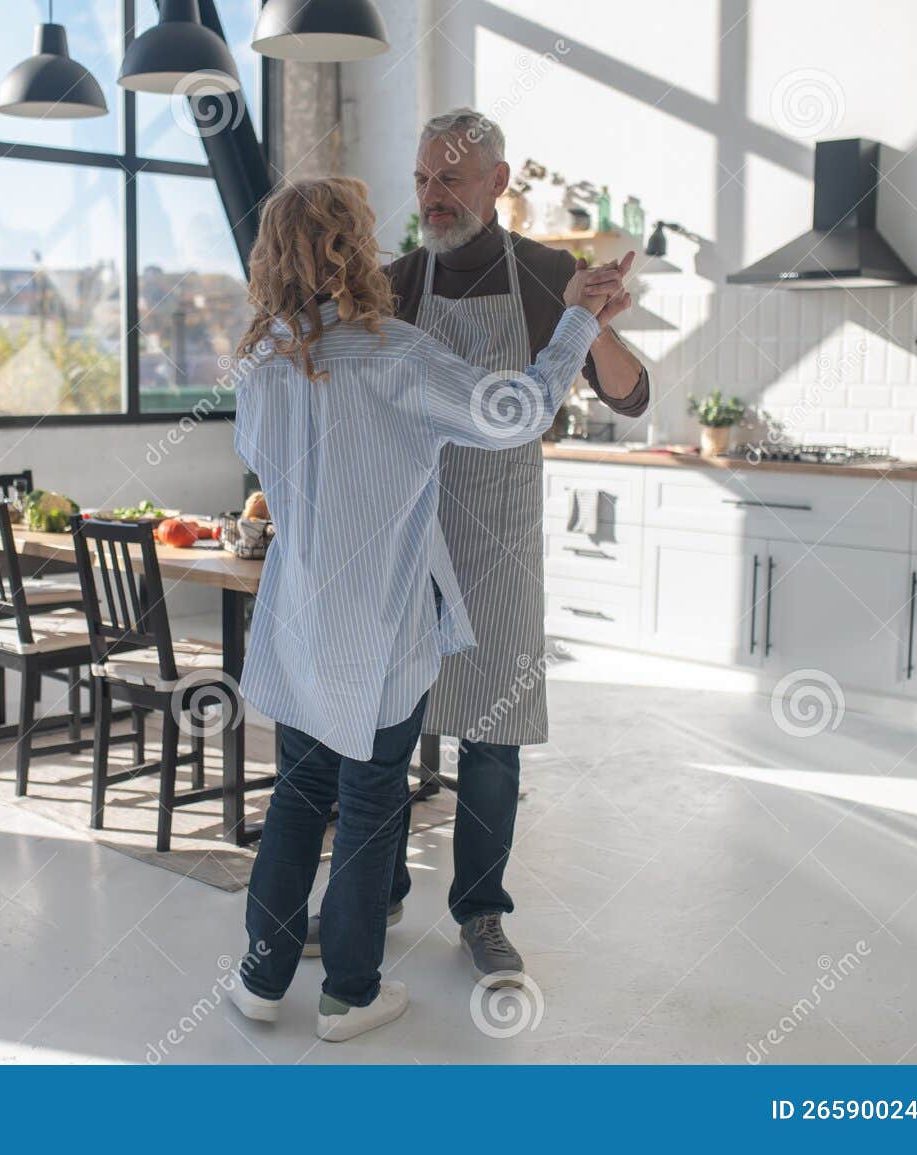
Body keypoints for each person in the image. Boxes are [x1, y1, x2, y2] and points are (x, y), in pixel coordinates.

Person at [224, 176, 617, 1042]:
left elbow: (262, 461)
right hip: (382, 623)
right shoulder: (397, 355)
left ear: (273, 259)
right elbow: (517, 412)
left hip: (296, 617)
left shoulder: (260, 363)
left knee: (297, 794)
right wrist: (578, 321)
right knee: (370, 801)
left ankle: (260, 977)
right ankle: (349, 994)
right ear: (353, 249)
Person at [298, 109, 651, 987]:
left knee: (493, 735)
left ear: (497, 183)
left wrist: (592, 321)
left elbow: (632, 395)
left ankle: (481, 911)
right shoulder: (394, 281)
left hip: (497, 537)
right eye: (422, 179)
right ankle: (372, 895)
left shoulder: (547, 273)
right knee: (385, 731)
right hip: (407, 535)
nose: (432, 196)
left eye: (450, 179)